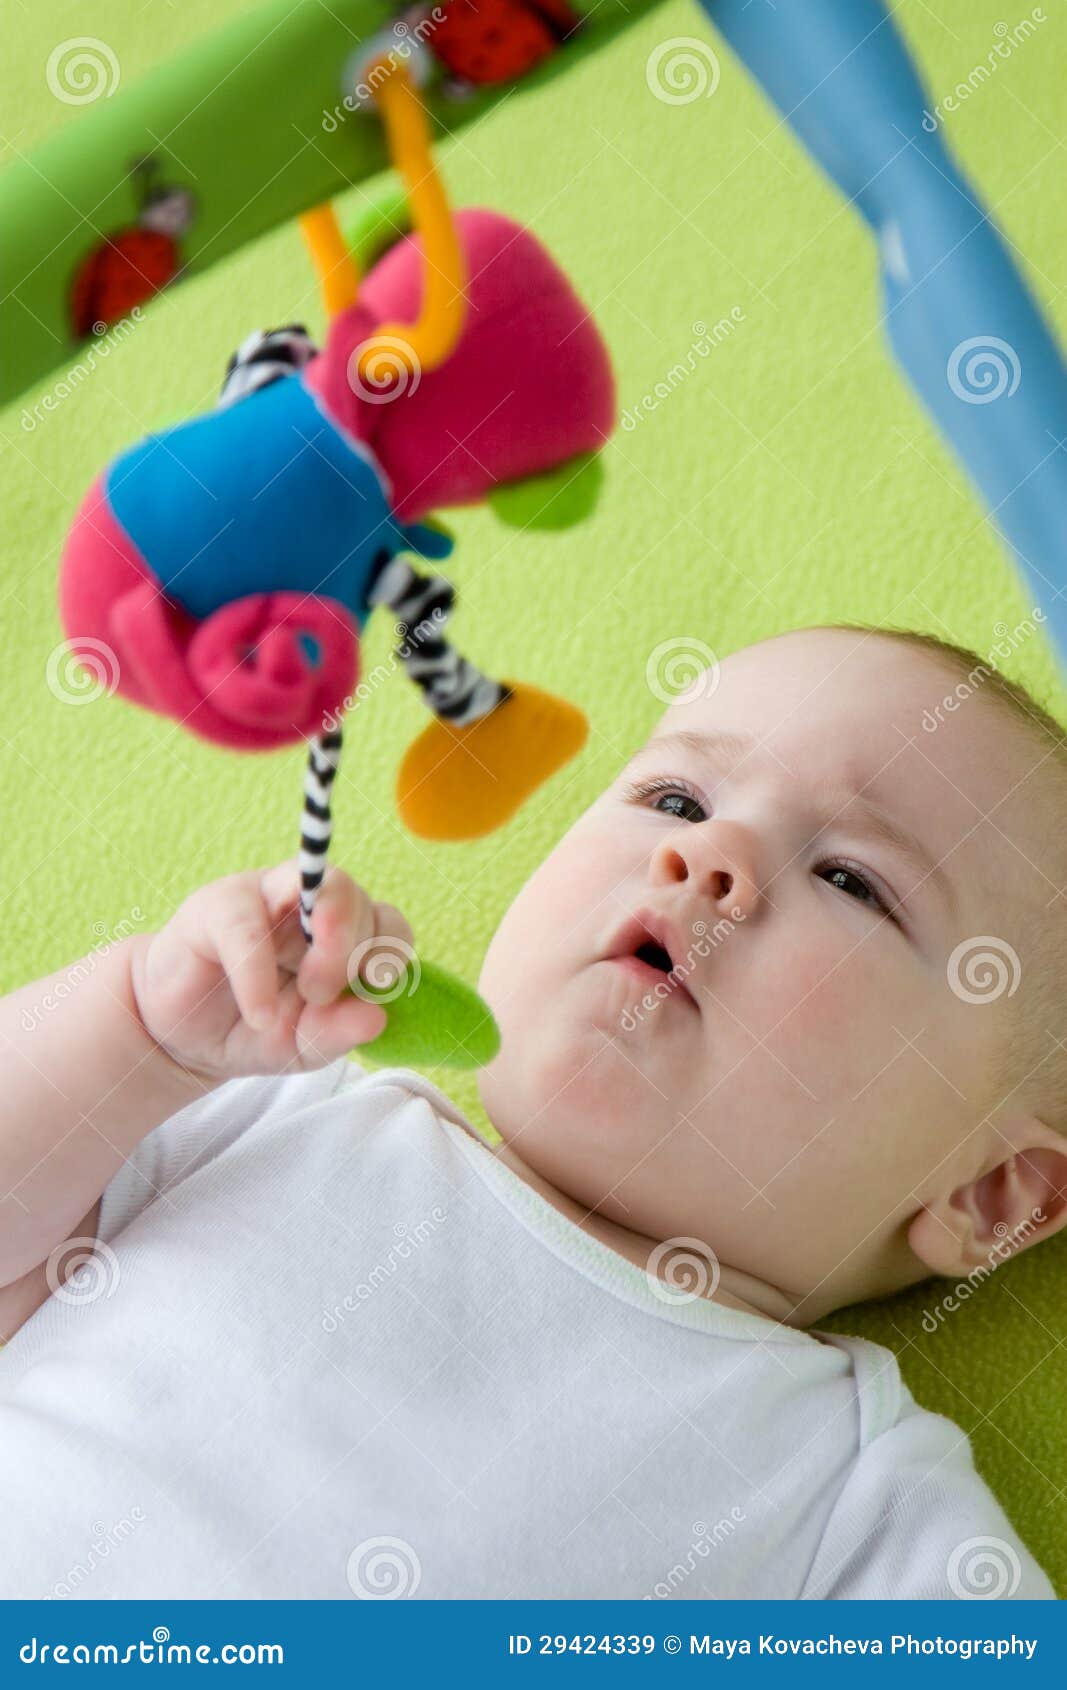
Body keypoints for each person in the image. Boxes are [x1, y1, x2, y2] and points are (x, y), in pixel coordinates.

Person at [0, 623, 1061, 1599]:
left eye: (849, 879)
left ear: (990, 1193)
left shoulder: (845, 1505)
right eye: (676, 799)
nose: (704, 855)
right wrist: (138, 1032)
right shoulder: (265, 1114)